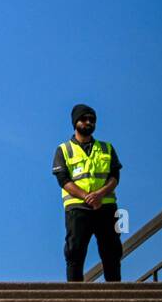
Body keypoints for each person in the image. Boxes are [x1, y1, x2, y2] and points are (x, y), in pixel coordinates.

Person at [52, 103, 123, 282]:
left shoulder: (107, 148)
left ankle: (115, 298)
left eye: (92, 119)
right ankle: (75, 299)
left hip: (106, 207)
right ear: (75, 122)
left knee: (112, 252)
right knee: (75, 253)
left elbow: (115, 176)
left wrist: (100, 194)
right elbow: (63, 180)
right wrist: (87, 196)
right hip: (77, 208)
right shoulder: (64, 150)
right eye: (84, 119)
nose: (88, 122)